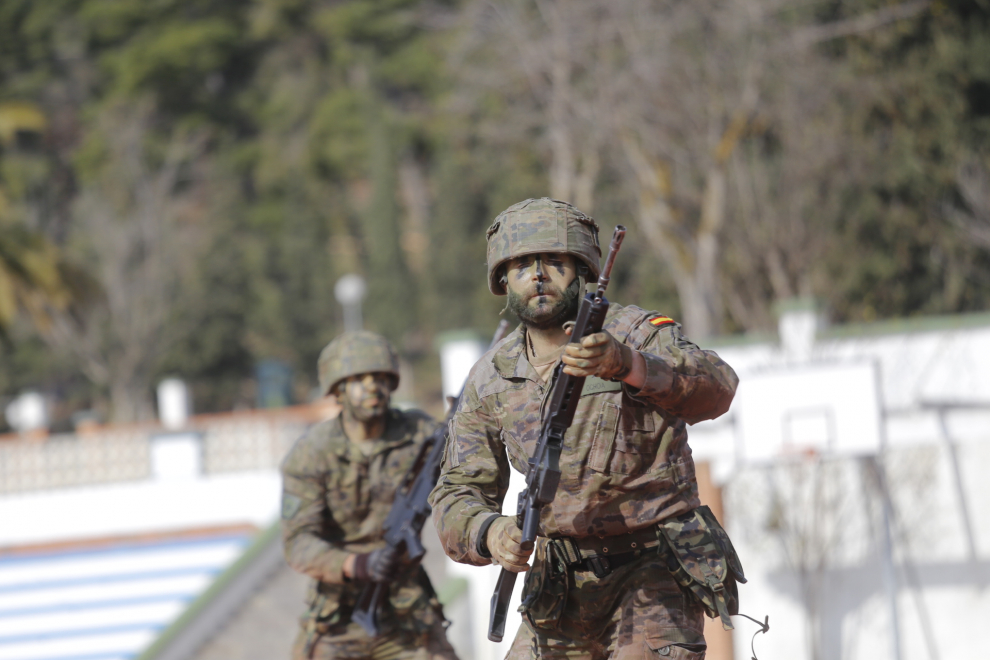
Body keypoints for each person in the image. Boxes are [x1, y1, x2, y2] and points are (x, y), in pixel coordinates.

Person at [428, 198, 742, 659]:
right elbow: (456, 491)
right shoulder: (490, 377)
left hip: (651, 571)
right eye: (520, 267)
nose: (537, 275)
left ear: (581, 269)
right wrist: (491, 532)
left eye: (554, 262)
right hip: (558, 586)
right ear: (502, 281)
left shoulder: (634, 333)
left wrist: (630, 366)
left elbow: (717, 387)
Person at [281, 331, 458, 660]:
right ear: (337, 389)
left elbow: (462, 480)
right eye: (359, 379)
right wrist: (356, 564)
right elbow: (298, 543)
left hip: (407, 610)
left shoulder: (419, 434)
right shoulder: (312, 453)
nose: (372, 387)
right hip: (339, 617)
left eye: (380, 377)